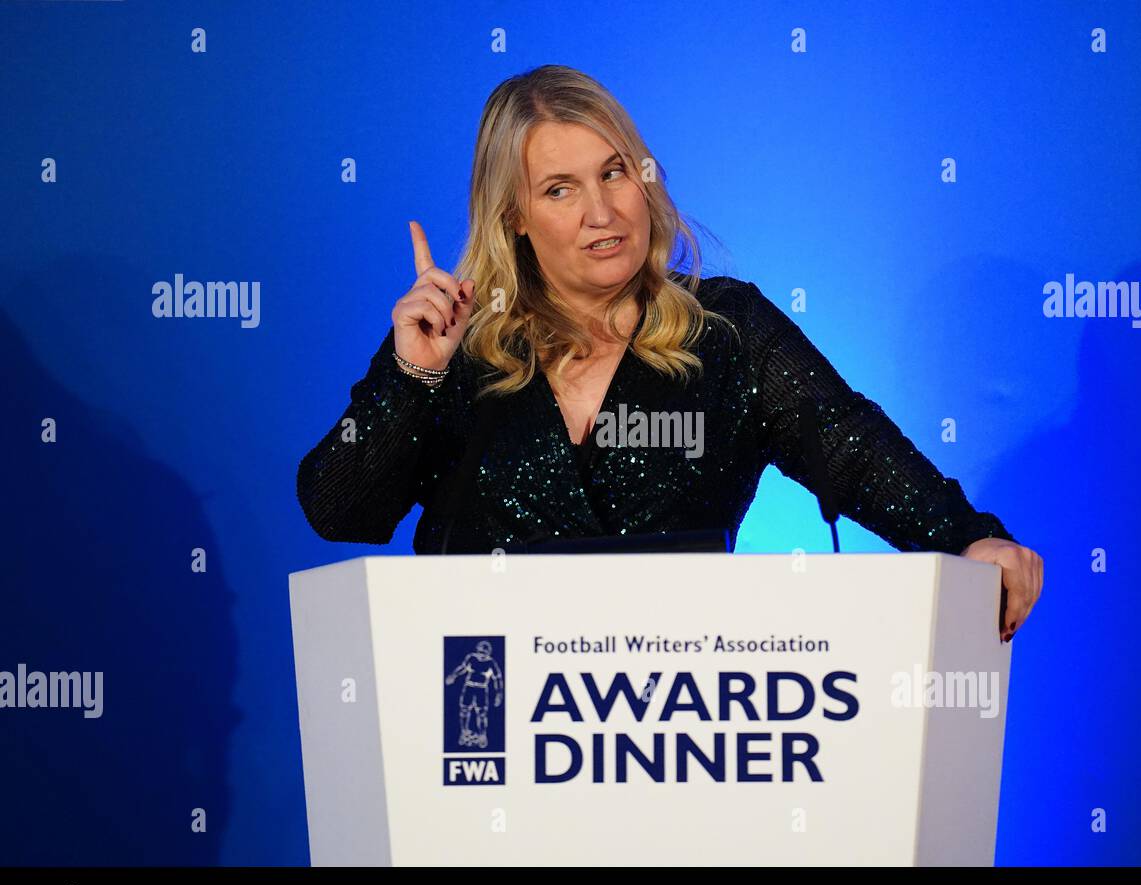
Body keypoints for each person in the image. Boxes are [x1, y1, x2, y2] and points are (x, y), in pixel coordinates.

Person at [296, 64, 1042, 642]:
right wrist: (411, 376)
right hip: (485, 752)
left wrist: (974, 538)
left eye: (615, 172)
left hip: (675, 746)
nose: (602, 211)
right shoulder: (457, 343)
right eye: (560, 189)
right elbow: (339, 509)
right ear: (514, 214)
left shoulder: (728, 330)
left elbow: (852, 447)